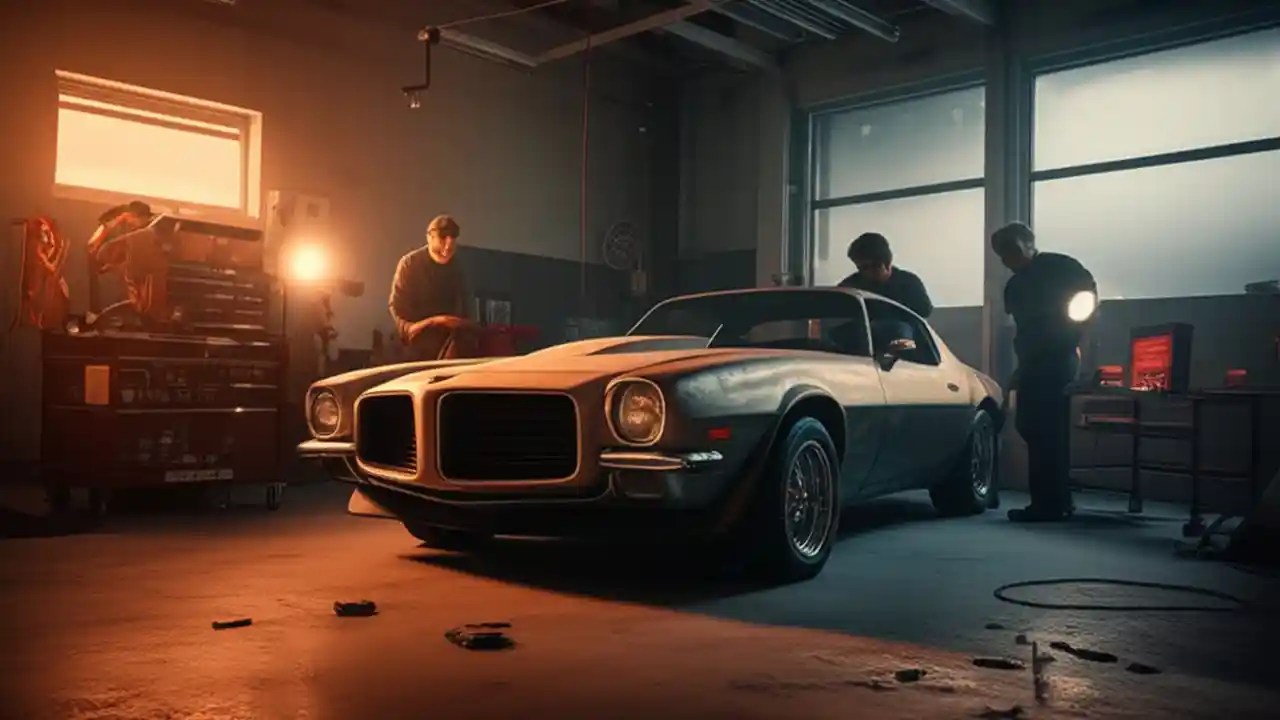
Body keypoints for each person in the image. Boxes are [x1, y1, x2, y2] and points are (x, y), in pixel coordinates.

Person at [992, 222, 1097, 523]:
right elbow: (1022, 331)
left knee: (1048, 429)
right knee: (1031, 426)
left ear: (1028, 243)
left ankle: (1052, 503)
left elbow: (1086, 306)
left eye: (1011, 250)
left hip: (1058, 357)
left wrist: (1082, 350)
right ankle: (1050, 500)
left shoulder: (1062, 268)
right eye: (1002, 255)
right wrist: (1020, 368)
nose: (1007, 259)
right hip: (1032, 362)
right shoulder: (1015, 286)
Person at [388, 214, 473, 360]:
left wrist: (460, 331)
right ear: (429, 237)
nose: (448, 246)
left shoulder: (458, 269)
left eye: (452, 240)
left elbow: (465, 309)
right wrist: (420, 326)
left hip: (448, 346)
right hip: (413, 347)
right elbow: (398, 308)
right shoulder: (409, 265)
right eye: (442, 238)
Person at [838, 232, 933, 318]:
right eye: (861, 268)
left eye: (870, 267)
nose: (866, 273)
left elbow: (924, 311)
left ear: (886, 264)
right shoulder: (851, 285)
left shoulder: (908, 282)